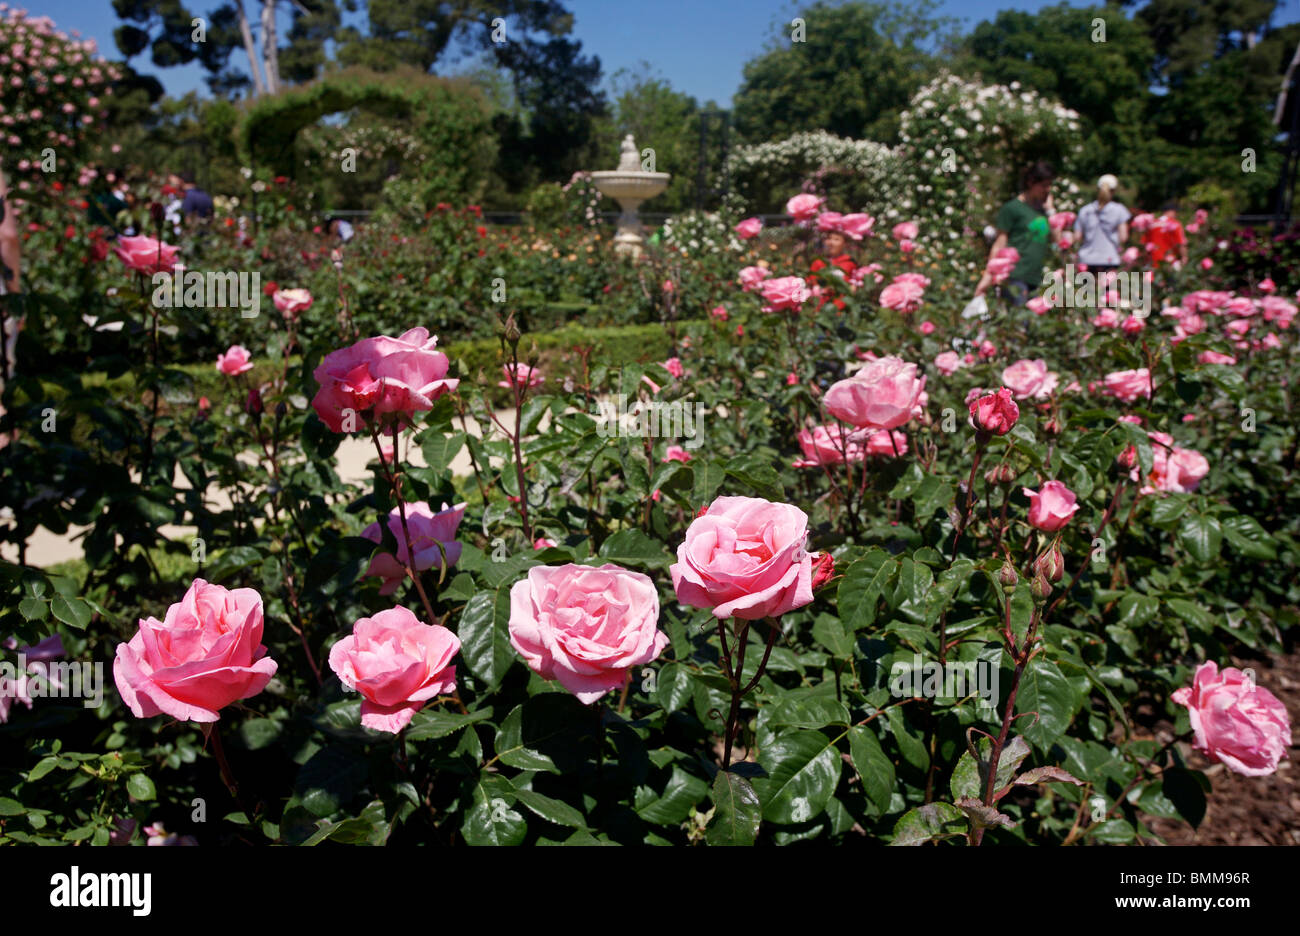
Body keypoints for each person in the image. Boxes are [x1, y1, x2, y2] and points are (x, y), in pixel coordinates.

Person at [975, 161, 1056, 306]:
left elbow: (1057, 240)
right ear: (1031, 182)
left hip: (1038, 278)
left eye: (1050, 185)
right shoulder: (1012, 208)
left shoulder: (1043, 212)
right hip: (1015, 276)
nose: (1048, 189)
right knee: (1018, 324)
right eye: (1044, 185)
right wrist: (987, 277)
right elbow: (1000, 243)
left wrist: (1051, 211)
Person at [1074, 174, 1130, 273]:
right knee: (1108, 288)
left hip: (1087, 259)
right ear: (1114, 190)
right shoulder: (1119, 210)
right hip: (1109, 258)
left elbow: (1077, 237)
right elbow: (1123, 237)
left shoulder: (1085, 210)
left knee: (1088, 288)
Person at [1144, 201, 1188, 266]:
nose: (1176, 214)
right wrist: (1184, 257)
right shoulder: (1175, 224)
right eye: (1175, 212)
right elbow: (1181, 243)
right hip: (1170, 263)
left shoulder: (1152, 224)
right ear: (1171, 211)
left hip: (1153, 262)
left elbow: (1146, 245)